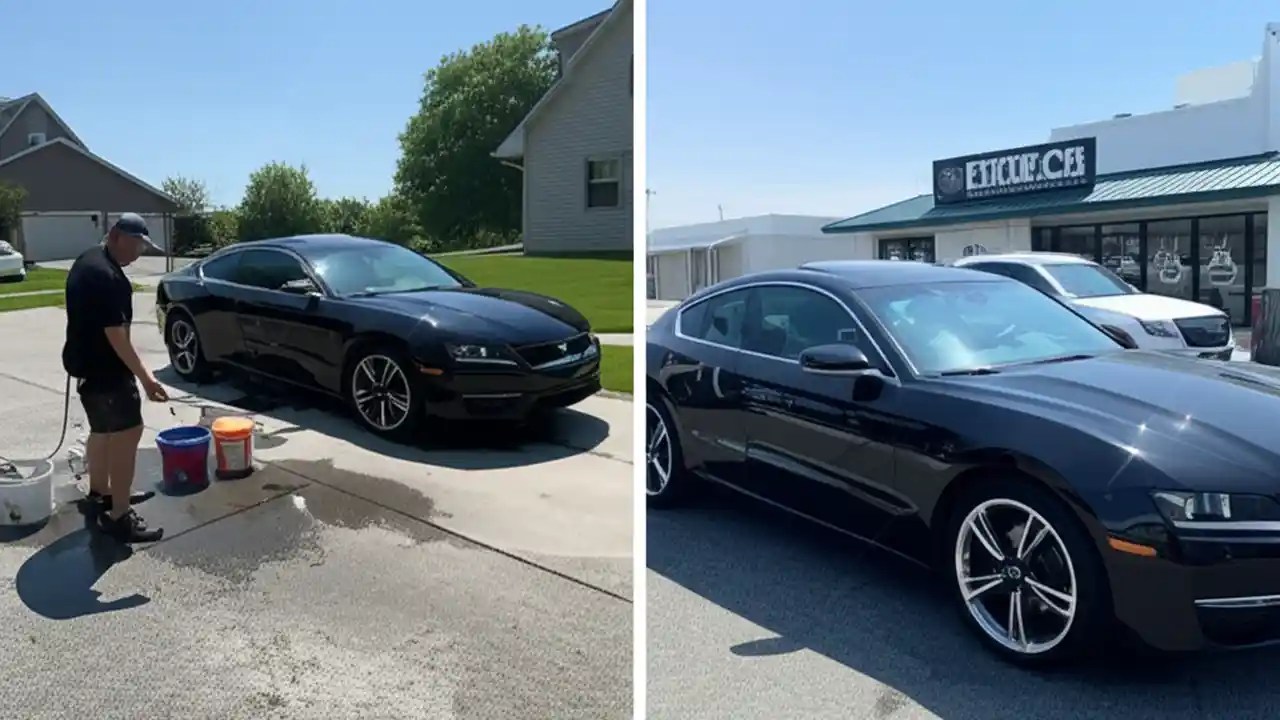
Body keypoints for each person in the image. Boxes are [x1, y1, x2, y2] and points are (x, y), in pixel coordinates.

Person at [61, 213, 169, 542]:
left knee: (102, 432)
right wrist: (147, 380)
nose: (138, 252)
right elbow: (116, 336)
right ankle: (119, 515)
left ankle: (100, 493)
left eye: (142, 246)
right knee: (127, 433)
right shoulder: (109, 278)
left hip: (85, 369)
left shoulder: (88, 260)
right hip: (106, 373)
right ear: (115, 235)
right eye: (134, 243)